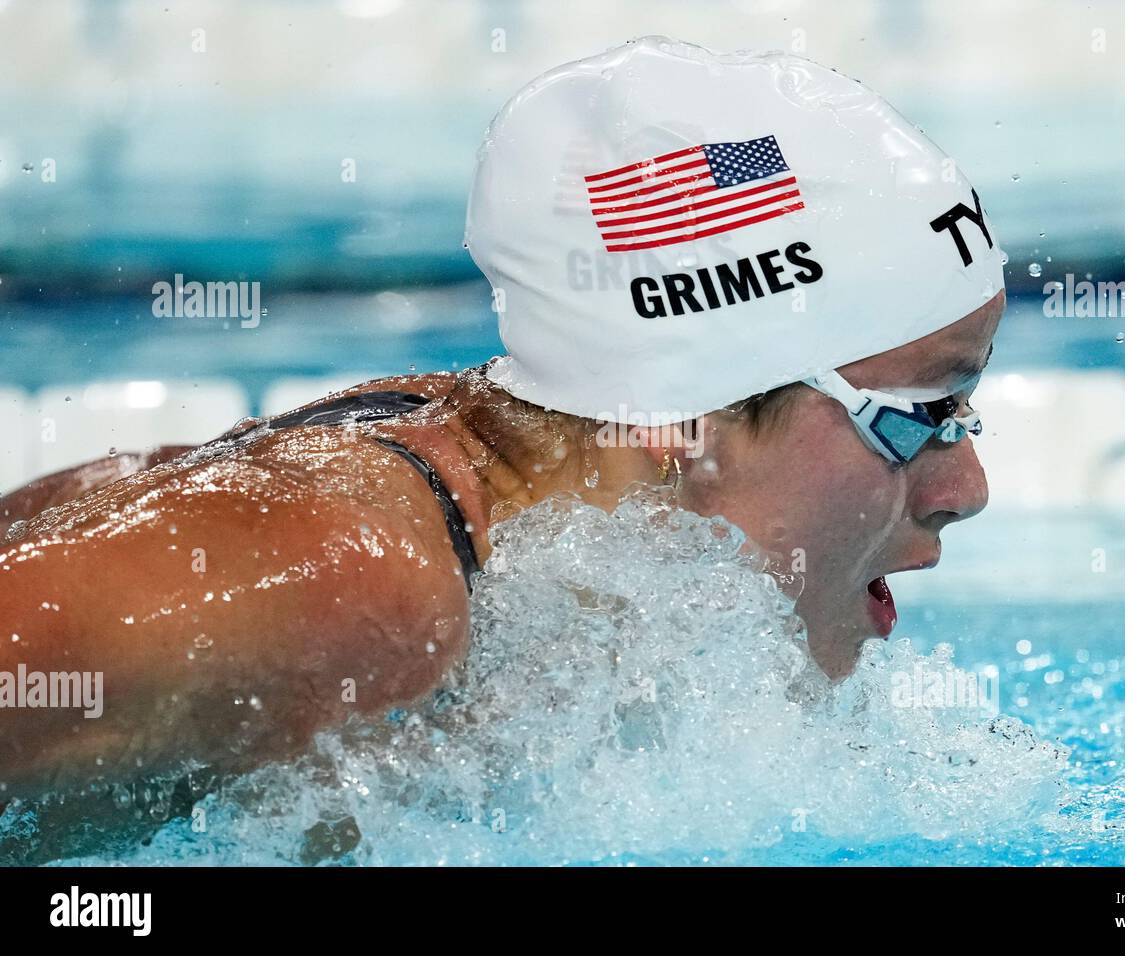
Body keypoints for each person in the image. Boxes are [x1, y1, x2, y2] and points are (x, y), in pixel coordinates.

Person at [0, 37, 1005, 803]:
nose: (966, 488)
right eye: (920, 414)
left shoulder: (492, 510)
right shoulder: (352, 585)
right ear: (680, 418)